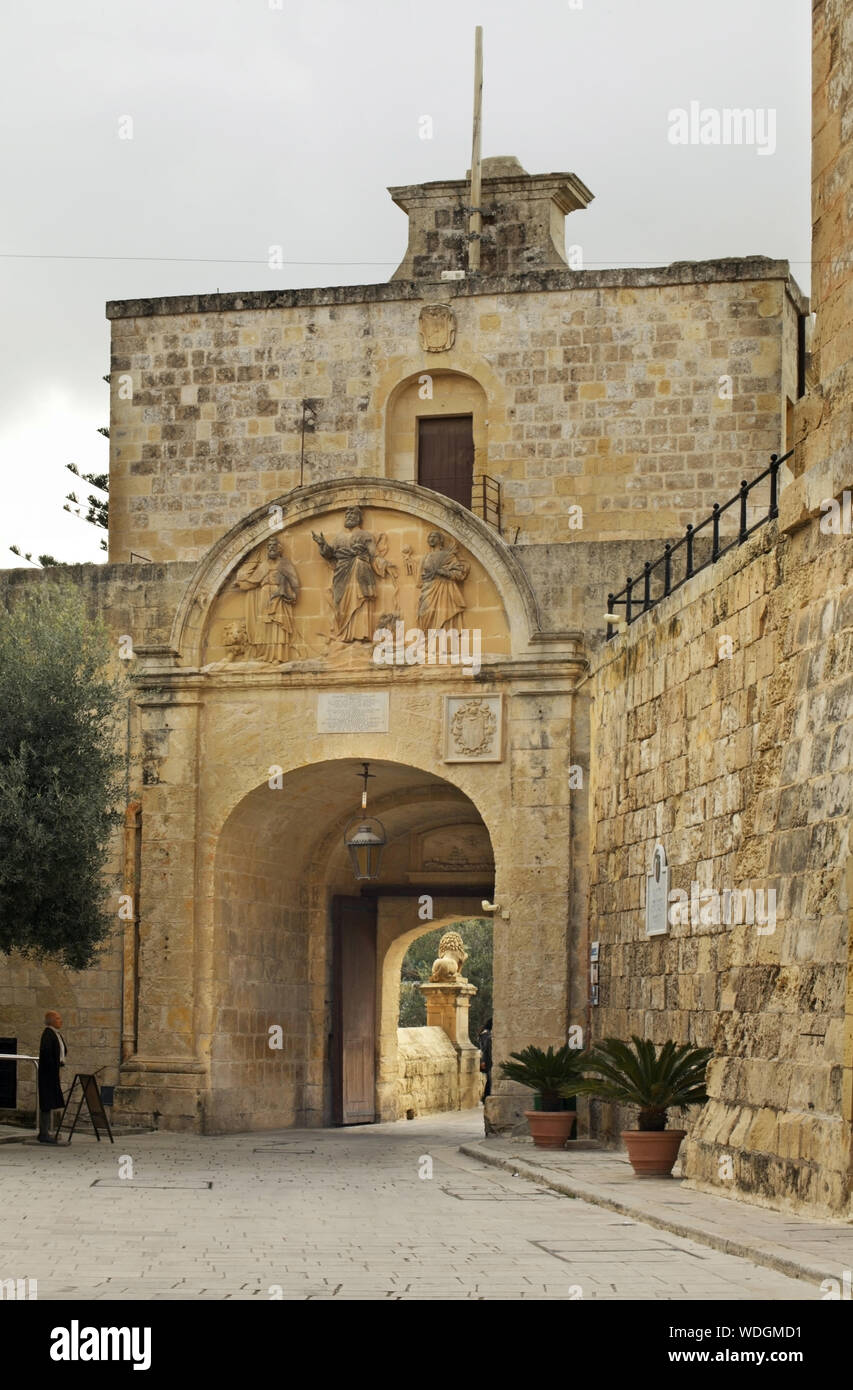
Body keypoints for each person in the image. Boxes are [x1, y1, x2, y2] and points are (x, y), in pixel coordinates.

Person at [37, 1010, 67, 1143]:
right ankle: (43, 1133)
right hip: (48, 1074)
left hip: (52, 1073)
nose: (60, 1021)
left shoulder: (55, 1034)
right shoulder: (48, 1034)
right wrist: (52, 1069)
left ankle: (45, 1132)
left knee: (49, 1101)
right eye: (58, 1018)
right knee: (47, 1102)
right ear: (52, 1021)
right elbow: (47, 1053)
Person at [477, 1017, 493, 1101]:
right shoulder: (487, 1035)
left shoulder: (485, 1034)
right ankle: (486, 1097)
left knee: (489, 1080)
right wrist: (483, 1061)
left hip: (488, 1060)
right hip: (488, 1061)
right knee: (490, 1080)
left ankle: (485, 1097)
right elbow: (485, 1049)